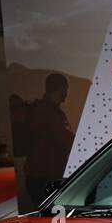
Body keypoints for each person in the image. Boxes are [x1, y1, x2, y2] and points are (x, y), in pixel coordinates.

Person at [23, 72, 75, 207]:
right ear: (61, 89)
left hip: (38, 176)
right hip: (45, 178)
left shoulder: (40, 110)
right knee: (53, 220)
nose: (67, 93)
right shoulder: (49, 113)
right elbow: (65, 139)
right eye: (66, 89)